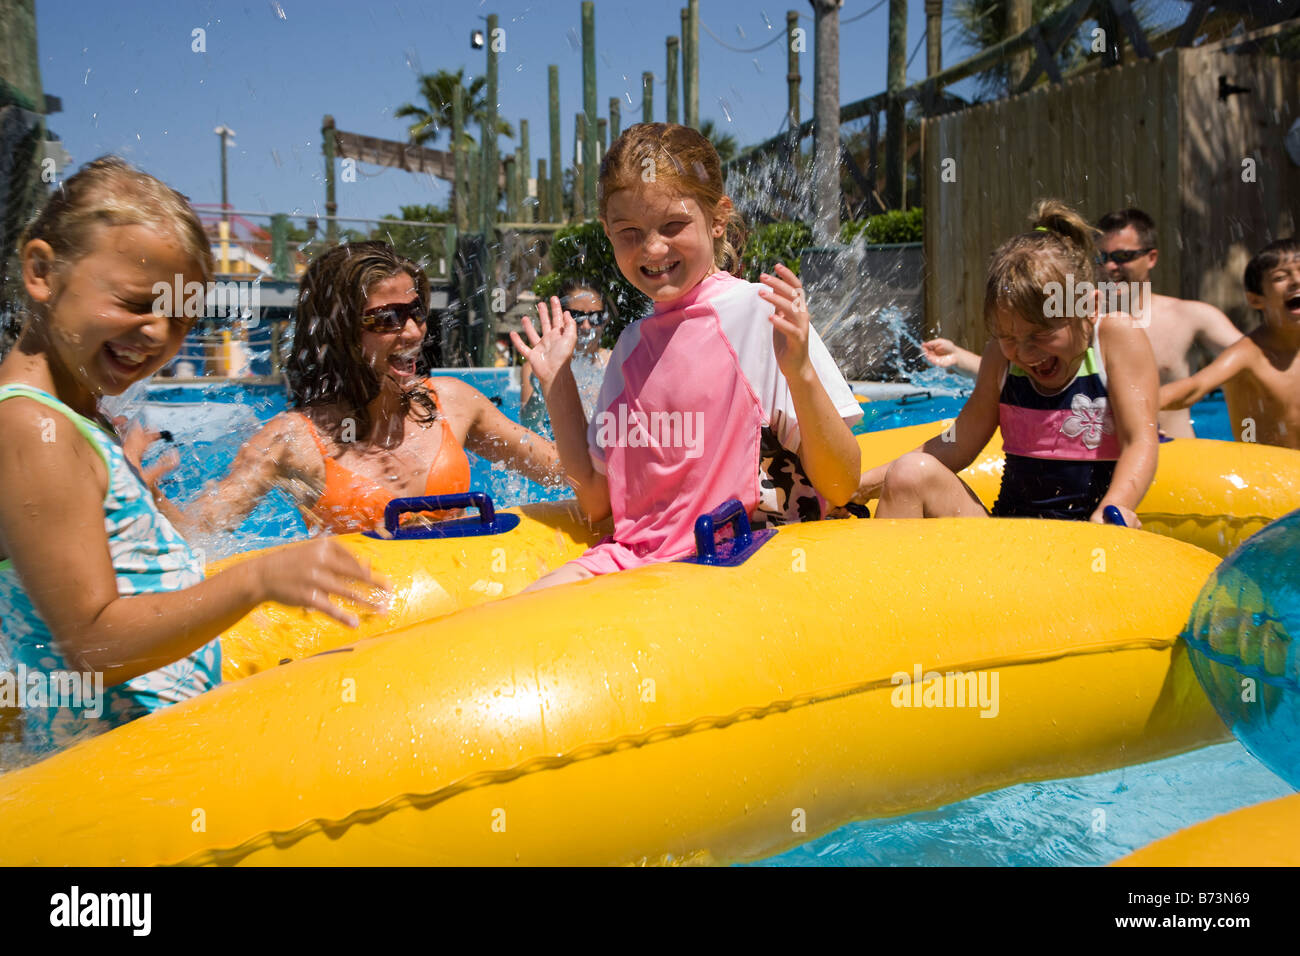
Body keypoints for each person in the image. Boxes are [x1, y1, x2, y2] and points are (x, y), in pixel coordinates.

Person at [0, 157, 386, 758]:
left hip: (145, 745)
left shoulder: (73, 419)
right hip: (105, 776)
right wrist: (255, 579)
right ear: (42, 273)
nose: (156, 333)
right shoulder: (30, 426)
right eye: (133, 302)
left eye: (180, 318)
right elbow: (92, 645)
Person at [511, 122, 862, 589]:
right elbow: (598, 504)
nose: (653, 248)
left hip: (735, 561)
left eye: (673, 226)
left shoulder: (760, 314)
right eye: (629, 232)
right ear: (608, 232)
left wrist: (799, 373)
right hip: (638, 561)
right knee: (522, 613)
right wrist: (558, 384)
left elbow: (840, 485)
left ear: (718, 218)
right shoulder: (630, 349)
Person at [174, 242, 564, 537]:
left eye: (416, 312)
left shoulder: (455, 402)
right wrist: (136, 492)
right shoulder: (290, 440)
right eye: (386, 320)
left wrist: (557, 385)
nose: (413, 332)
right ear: (338, 332)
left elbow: (563, 472)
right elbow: (196, 535)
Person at [852, 200, 1159, 526]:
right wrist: (860, 486)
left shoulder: (1114, 338)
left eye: (1040, 334)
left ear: (1090, 306)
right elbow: (957, 444)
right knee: (910, 473)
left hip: (1090, 538)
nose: (1025, 354)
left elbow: (1140, 440)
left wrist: (1116, 506)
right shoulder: (1000, 359)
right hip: (1009, 541)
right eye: (1009, 338)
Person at [921, 208, 1240, 438]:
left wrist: (1192, 388)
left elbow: (1255, 352)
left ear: (1151, 257)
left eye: (1124, 257)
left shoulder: (1191, 316)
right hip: (1098, 457)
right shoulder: (1074, 323)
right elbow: (1038, 370)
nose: (1112, 266)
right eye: (1103, 258)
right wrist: (959, 359)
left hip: (1173, 457)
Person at [1159, 236, 1300, 449]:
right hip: (1268, 477)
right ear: (1255, 300)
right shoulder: (1249, 354)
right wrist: (1139, 408)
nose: (1296, 281)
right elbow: (1194, 388)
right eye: (1280, 277)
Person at [519, 279, 613, 436]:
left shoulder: (616, 362)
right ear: (561, 317)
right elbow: (529, 427)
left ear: (605, 320)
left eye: (596, 317)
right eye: (577, 316)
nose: (586, 326)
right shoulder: (535, 367)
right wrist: (541, 385)